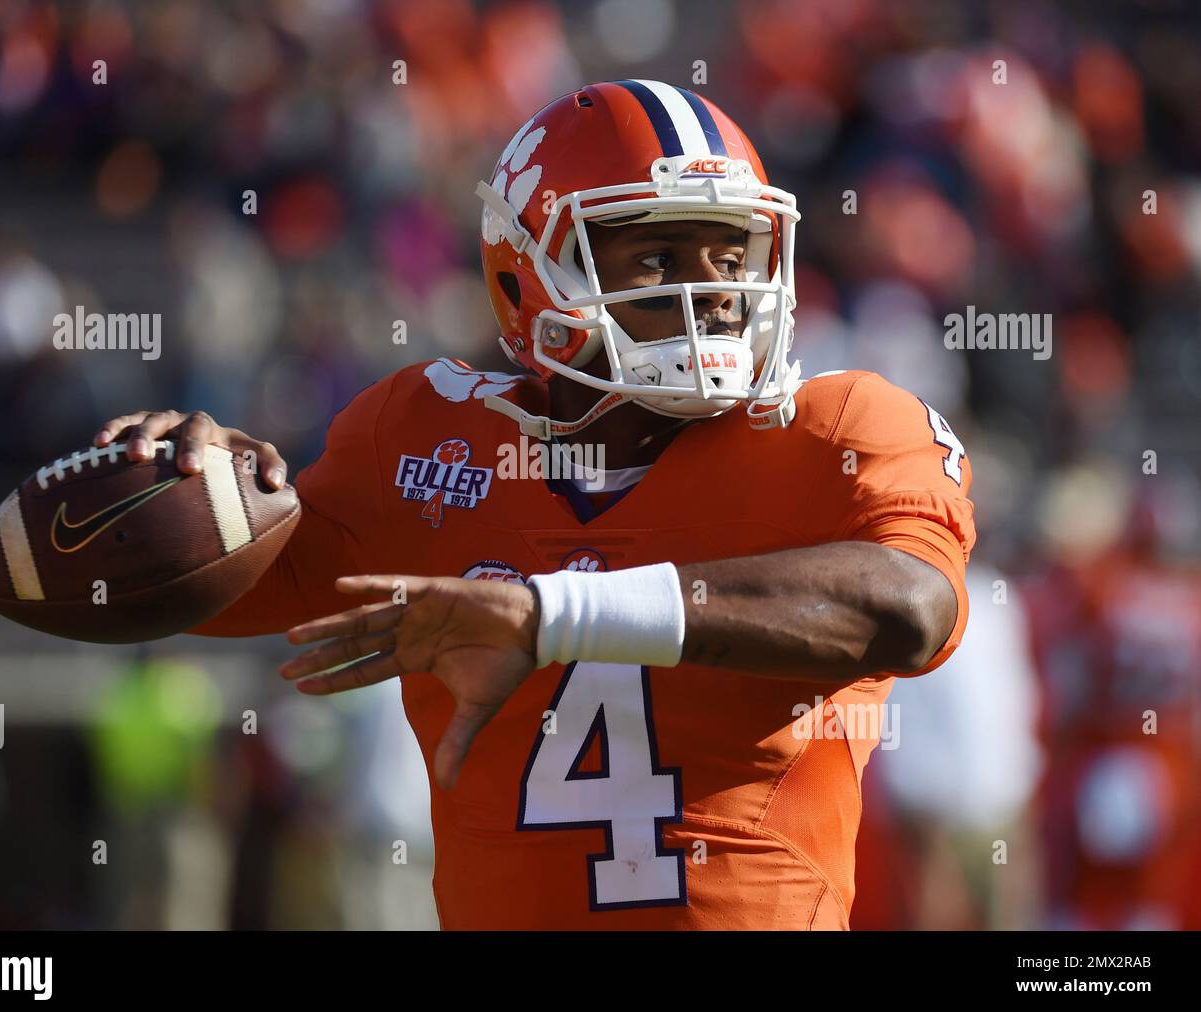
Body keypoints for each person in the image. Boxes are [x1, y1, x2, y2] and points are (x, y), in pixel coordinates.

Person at [91, 80, 976, 929]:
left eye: (730, 252)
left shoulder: (835, 430)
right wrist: (169, 484)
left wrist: (554, 613)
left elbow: (911, 609)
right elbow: (182, 586)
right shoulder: (420, 439)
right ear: (526, 280)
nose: (709, 288)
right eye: (658, 256)